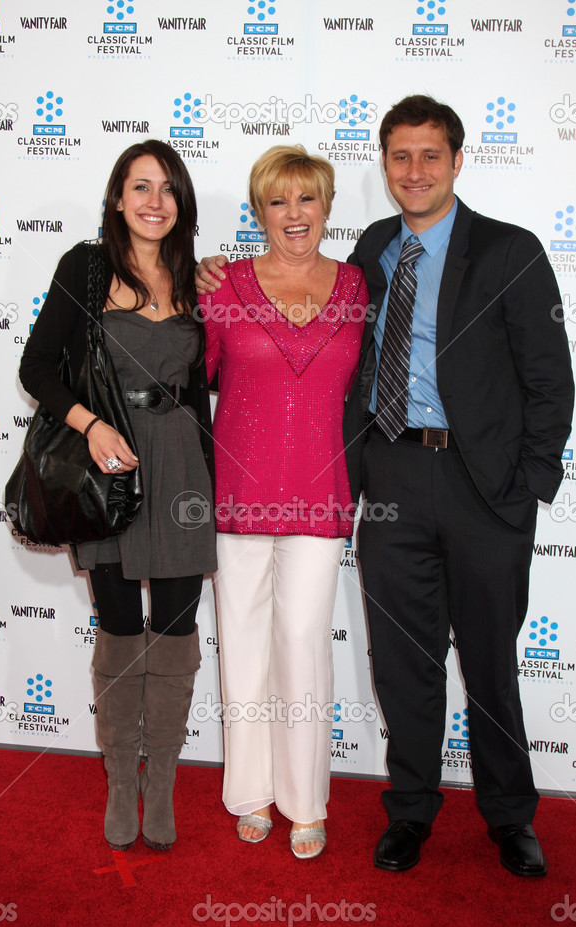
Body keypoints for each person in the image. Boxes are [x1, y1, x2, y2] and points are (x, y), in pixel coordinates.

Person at [342, 95, 574, 876]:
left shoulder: (510, 250)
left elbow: (550, 380)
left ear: (458, 161)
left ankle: (510, 815)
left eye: (430, 155)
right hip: (393, 474)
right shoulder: (372, 248)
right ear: (385, 164)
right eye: (400, 156)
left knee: (490, 663)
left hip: (484, 488)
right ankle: (410, 809)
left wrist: (525, 485)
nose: (415, 170)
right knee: (403, 662)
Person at [20, 140, 216, 852]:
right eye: (140, 186)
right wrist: (92, 424)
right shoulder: (86, 266)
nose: (154, 201)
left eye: (167, 189)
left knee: (176, 630)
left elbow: (204, 387)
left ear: (181, 202)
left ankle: (160, 781)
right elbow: (37, 367)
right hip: (109, 468)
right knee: (120, 629)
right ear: (116, 196)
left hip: (182, 468)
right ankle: (120, 782)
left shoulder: (197, 276)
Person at [199, 145, 368, 859]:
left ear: (326, 207)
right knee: (241, 642)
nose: (294, 214)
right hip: (238, 493)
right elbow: (191, 382)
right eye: (278, 200)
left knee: (302, 641)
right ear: (258, 211)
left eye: (307, 198)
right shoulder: (221, 285)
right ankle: (251, 791)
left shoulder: (359, 284)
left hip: (320, 495)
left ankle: (305, 801)